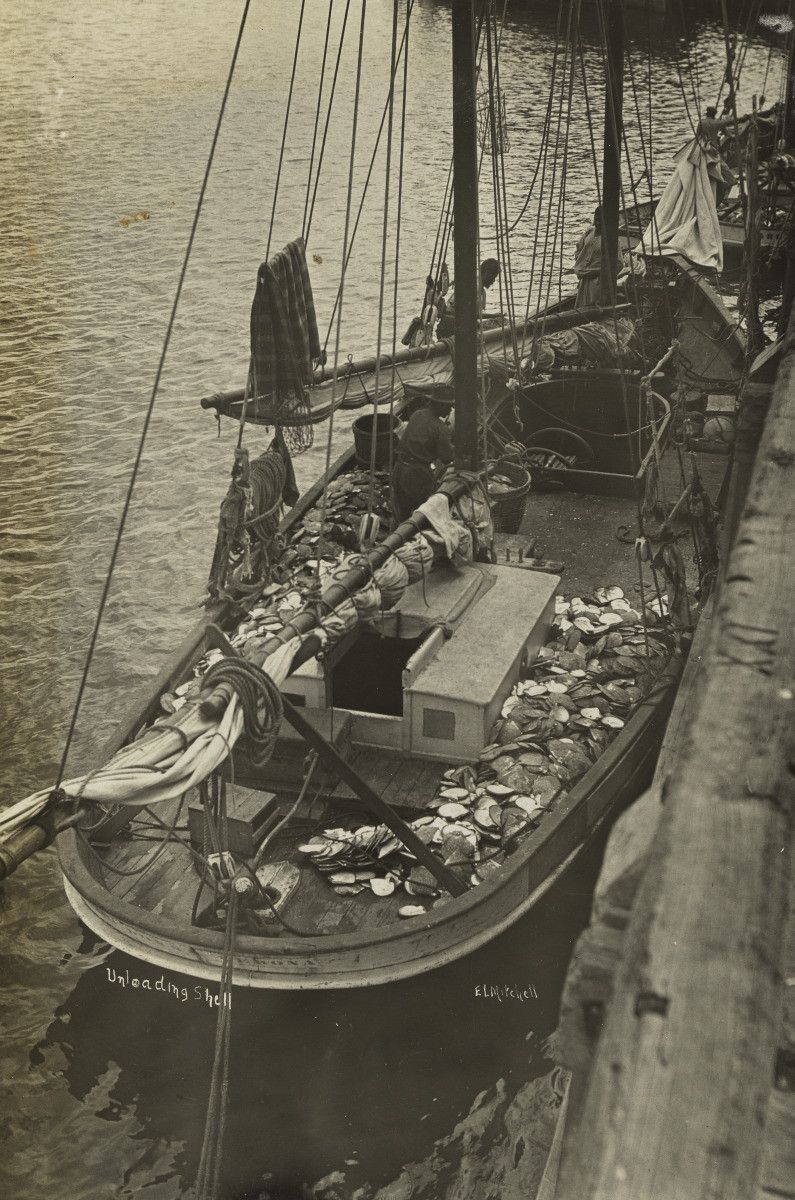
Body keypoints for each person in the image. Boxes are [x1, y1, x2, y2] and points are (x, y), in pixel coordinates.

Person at [392, 385, 455, 523]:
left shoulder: (417, 414)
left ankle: (396, 539)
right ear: (439, 405)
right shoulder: (440, 427)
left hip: (398, 468)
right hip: (417, 473)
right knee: (426, 513)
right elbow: (447, 457)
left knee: (400, 515)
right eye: (448, 406)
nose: (450, 410)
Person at [435, 259, 502, 338]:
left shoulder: (479, 288)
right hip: (451, 324)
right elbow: (468, 314)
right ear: (487, 274)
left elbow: (472, 315)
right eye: (493, 277)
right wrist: (492, 317)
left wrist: (493, 316)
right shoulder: (474, 286)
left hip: (450, 322)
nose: (493, 281)